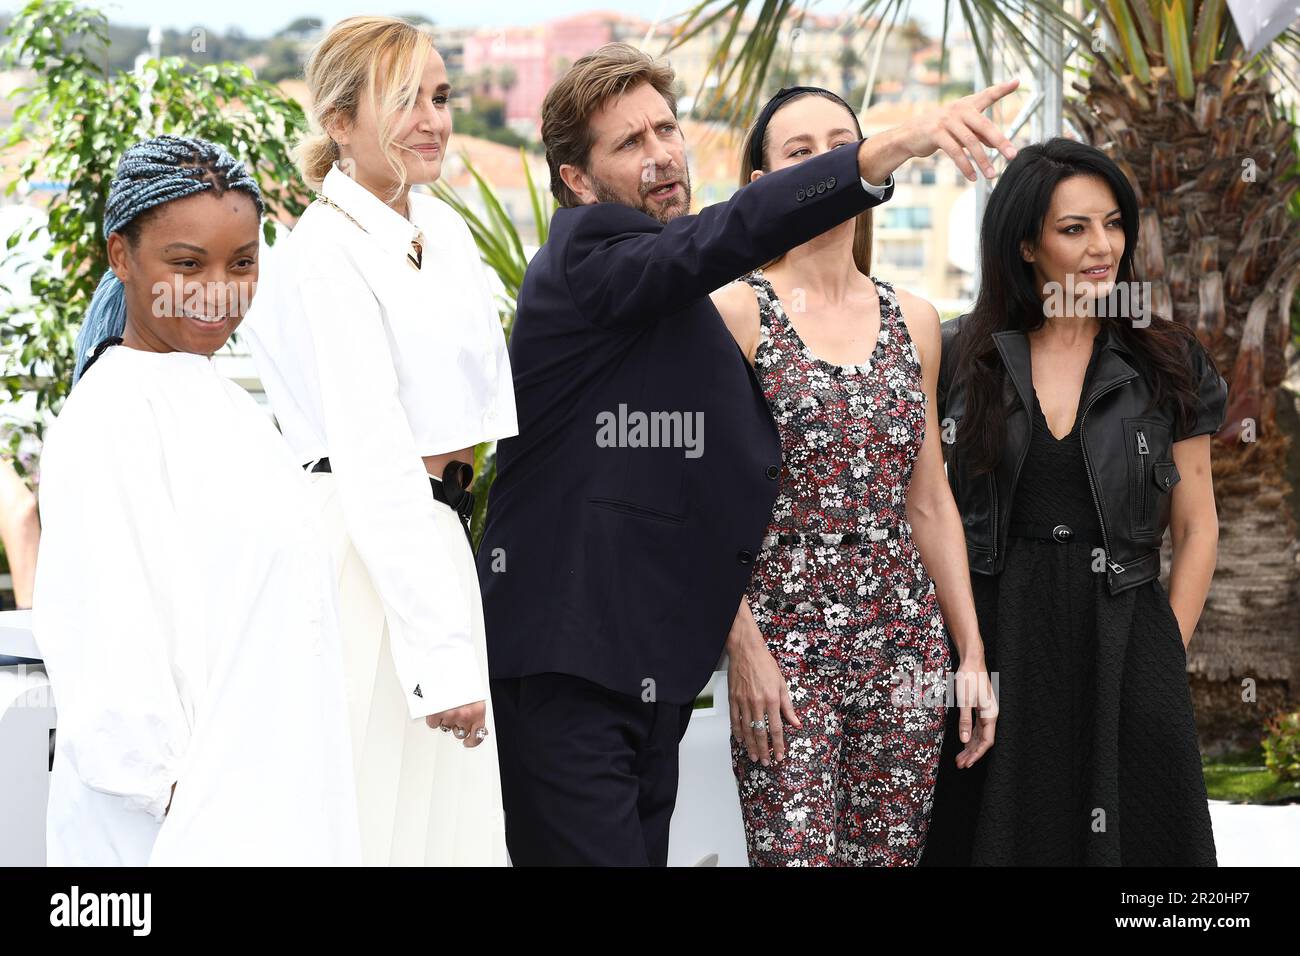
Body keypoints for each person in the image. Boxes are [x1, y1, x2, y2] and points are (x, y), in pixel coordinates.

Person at [476, 40, 1019, 866]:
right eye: (630, 143)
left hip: (652, 667)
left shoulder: (685, 295)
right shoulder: (588, 263)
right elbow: (727, 234)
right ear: (577, 180)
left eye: (666, 129)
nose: (661, 154)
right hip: (568, 660)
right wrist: (888, 147)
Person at [32, 134, 359, 866]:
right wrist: (189, 802)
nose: (218, 288)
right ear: (122, 257)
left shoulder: (234, 411)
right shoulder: (110, 416)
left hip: (272, 811)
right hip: (179, 834)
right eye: (187, 263)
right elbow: (106, 639)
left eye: (243, 263)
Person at [241, 16, 516, 866]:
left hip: (433, 539)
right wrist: (442, 663)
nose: (433, 119)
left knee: (439, 830)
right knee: (371, 826)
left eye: (439, 96)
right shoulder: (326, 250)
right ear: (339, 120)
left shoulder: (442, 231)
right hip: (367, 550)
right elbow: (374, 459)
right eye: (404, 100)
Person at [709, 86, 997, 866]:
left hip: (905, 645)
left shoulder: (918, 319)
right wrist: (742, 643)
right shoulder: (735, 314)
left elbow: (930, 501)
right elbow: (695, 506)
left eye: (842, 144)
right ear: (760, 184)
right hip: (785, 642)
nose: (828, 164)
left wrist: (969, 653)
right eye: (800, 152)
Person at [922, 138, 1224, 866]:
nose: (1103, 247)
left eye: (1114, 223)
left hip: (1124, 630)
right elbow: (929, 511)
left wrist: (1160, 650)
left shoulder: (1167, 358)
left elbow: (1197, 523)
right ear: (1025, 245)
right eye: (1074, 228)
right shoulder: (963, 356)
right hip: (995, 635)